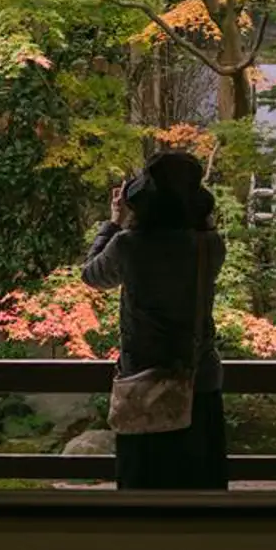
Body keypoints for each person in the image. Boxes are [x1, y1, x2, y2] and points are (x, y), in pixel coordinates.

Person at [80, 150, 229, 490]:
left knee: (143, 489)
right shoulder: (211, 247)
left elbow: (92, 275)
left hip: (143, 385)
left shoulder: (129, 246)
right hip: (199, 380)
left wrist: (114, 221)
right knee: (201, 488)